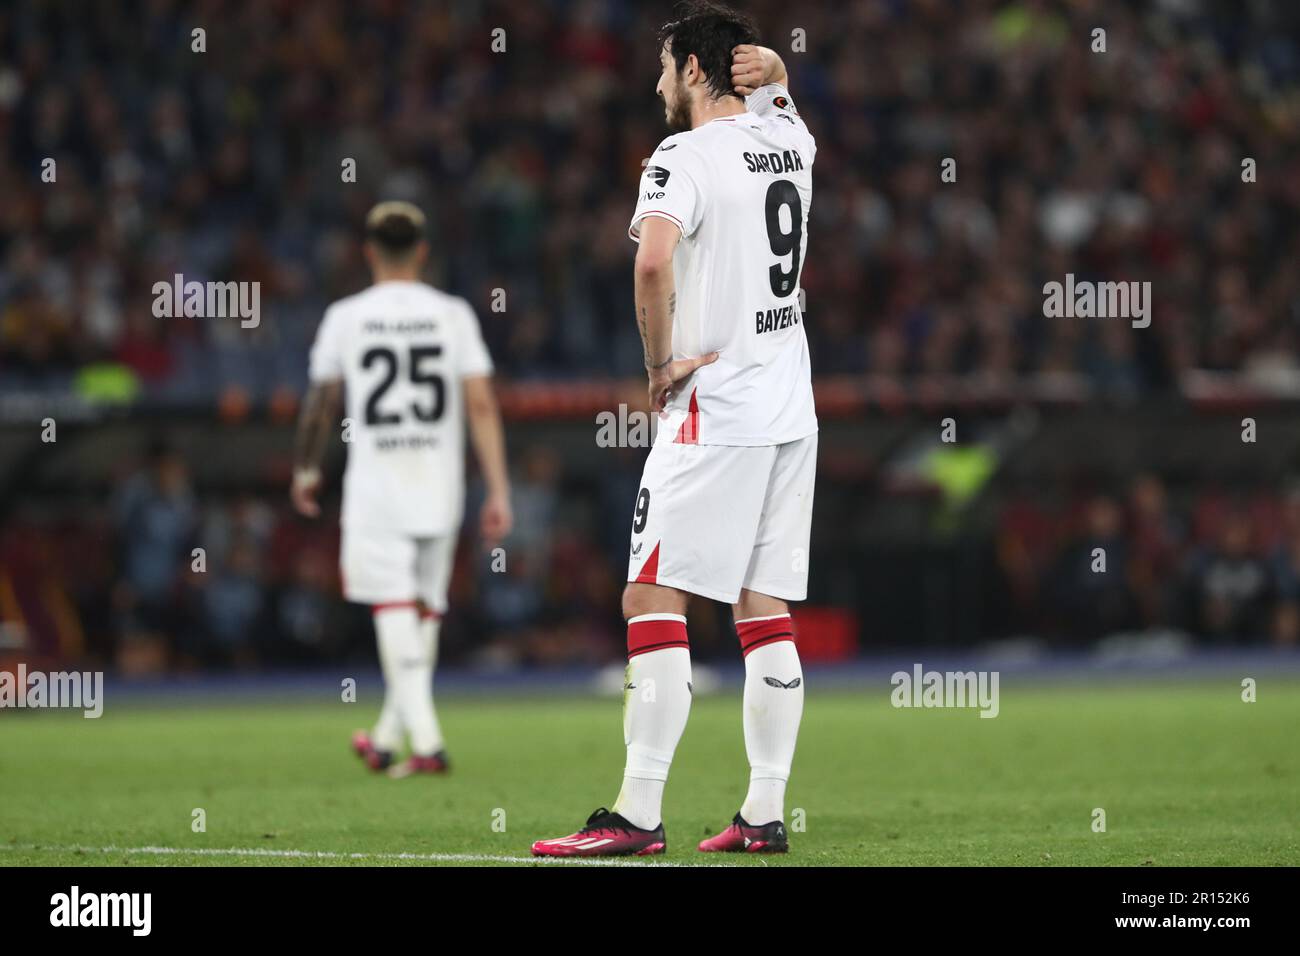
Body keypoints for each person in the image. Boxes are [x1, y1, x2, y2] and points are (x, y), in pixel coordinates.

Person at [532, 2, 816, 856]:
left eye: (665, 68)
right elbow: (781, 97)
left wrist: (658, 366)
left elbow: (651, 260)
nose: (658, 84)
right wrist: (777, 72)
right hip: (789, 407)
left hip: (716, 407)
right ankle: (765, 814)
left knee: (651, 593)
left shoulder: (681, 155)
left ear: (695, 70)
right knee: (763, 606)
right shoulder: (792, 145)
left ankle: (638, 812)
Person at [291, 201, 512, 777]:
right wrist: (498, 490)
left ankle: (429, 742)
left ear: (367, 252)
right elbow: (482, 404)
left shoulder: (346, 316)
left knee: (395, 609)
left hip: (376, 488)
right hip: (439, 485)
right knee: (424, 613)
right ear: (421, 251)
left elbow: (321, 405)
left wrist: (307, 470)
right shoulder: (453, 314)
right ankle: (389, 737)